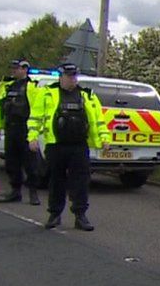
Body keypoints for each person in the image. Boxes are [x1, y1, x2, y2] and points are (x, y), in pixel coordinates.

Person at [27, 63, 110, 231]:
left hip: (79, 145)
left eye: (75, 76)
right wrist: (32, 138)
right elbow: (35, 117)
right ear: (61, 76)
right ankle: (54, 214)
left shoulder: (87, 95)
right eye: (69, 76)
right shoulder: (47, 93)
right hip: (56, 145)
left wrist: (104, 138)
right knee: (56, 181)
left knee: (81, 182)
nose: (73, 79)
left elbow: (98, 120)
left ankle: (80, 216)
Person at [0, 59, 41, 205]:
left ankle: (33, 193)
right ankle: (15, 191)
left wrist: (34, 132)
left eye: (17, 68)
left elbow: (36, 109)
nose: (13, 71)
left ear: (25, 69)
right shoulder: (7, 86)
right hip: (11, 128)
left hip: (25, 128)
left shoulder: (32, 87)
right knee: (11, 162)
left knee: (30, 163)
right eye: (12, 68)